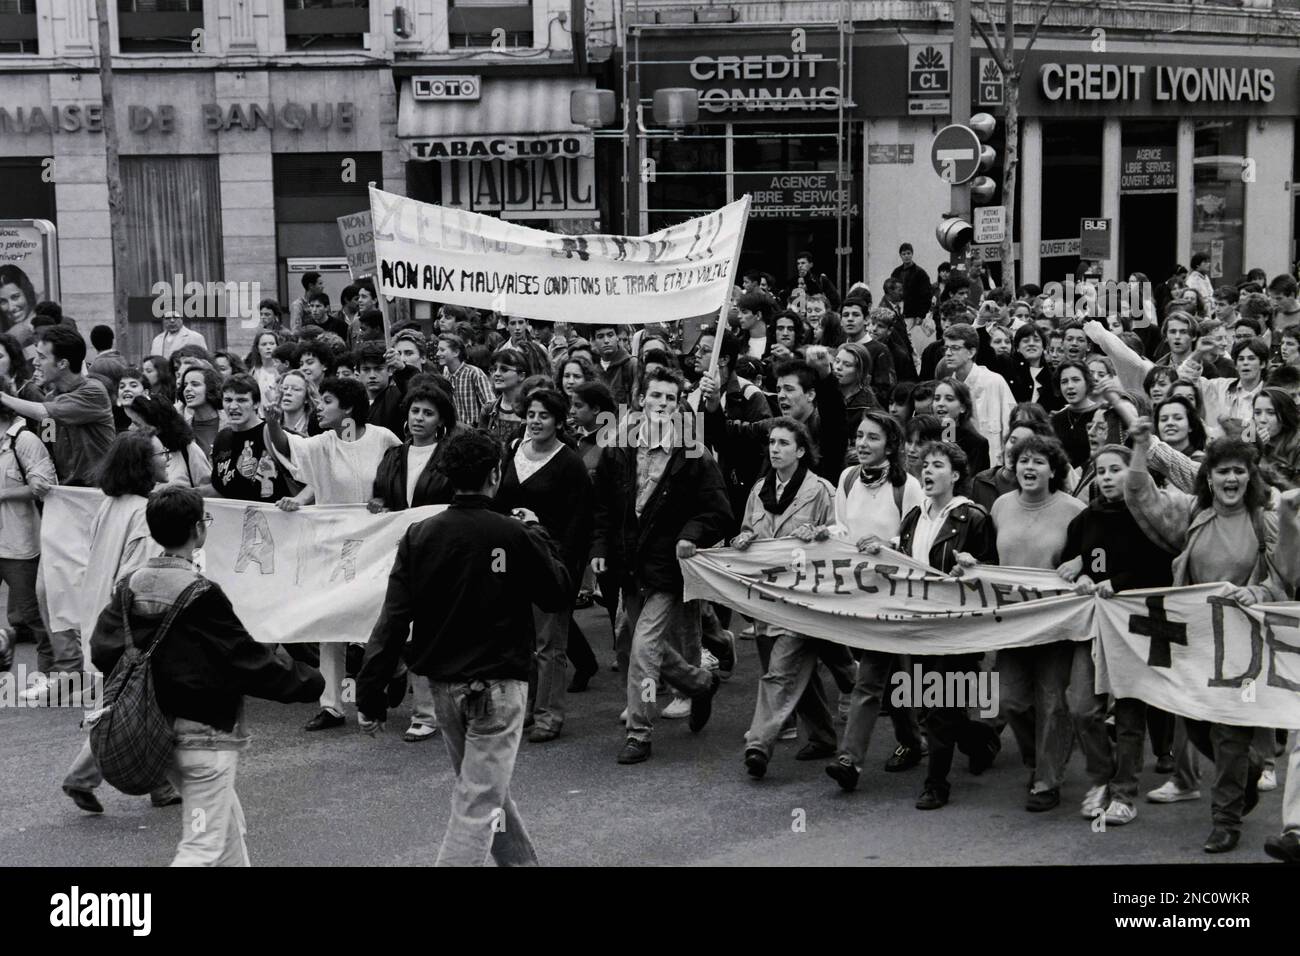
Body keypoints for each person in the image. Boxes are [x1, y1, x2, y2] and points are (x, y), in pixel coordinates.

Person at [356, 430, 570, 866]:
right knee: (479, 800)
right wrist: (538, 534)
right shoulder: (514, 533)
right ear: (495, 475)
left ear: (447, 476)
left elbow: (394, 618)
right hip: (500, 686)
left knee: (481, 791)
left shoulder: (420, 536)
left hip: (444, 687)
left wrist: (370, 691)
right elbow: (557, 594)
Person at [88, 486, 323, 865]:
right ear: (200, 530)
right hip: (204, 738)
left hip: (157, 732)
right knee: (201, 846)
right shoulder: (201, 593)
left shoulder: (129, 587)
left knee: (227, 834)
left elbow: (102, 650)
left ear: (152, 530)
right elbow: (249, 662)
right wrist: (310, 681)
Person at [1125, 423, 1288, 852]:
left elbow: (1284, 580)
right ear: (1208, 477)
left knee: (1230, 734)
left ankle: (1226, 818)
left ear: (1250, 477)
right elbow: (1144, 499)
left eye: (1238, 471)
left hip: (1244, 648)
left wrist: (1256, 591)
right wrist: (1141, 450)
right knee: (1197, 724)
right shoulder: (1194, 516)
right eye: (1222, 472)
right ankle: (1249, 771)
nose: (1230, 479)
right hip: (1195, 645)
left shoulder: (1264, 521)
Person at [591, 366, 729, 765]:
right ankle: (701, 683)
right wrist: (600, 546)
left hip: (667, 567)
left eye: (670, 398)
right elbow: (603, 507)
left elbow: (717, 510)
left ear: (679, 403)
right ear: (640, 399)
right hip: (626, 565)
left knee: (643, 649)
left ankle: (639, 732)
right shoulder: (618, 447)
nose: (662, 405)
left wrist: (690, 534)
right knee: (648, 646)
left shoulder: (694, 454)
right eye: (656, 397)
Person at [861, 441, 995, 809]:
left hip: (956, 627)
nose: (929, 471)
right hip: (918, 625)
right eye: (925, 465)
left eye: (938, 465)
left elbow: (992, 572)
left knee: (939, 709)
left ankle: (936, 783)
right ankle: (980, 742)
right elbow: (904, 562)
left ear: (955, 475)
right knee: (927, 702)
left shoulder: (973, 518)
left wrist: (972, 566)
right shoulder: (914, 517)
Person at [264, 376, 401, 731]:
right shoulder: (322, 444)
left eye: (326, 401)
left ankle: (386, 680)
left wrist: (385, 501)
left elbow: (399, 481)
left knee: (377, 620)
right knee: (331, 622)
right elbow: (288, 446)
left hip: (377, 542)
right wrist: (273, 423)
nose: (319, 408)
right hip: (333, 545)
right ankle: (333, 705)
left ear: (349, 408)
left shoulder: (383, 438)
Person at [60, 432, 181, 808]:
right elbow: (134, 578)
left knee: (135, 703)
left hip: (99, 614)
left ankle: (157, 785)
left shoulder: (111, 505)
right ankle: (87, 778)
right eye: (161, 454)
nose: (167, 460)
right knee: (141, 703)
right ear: (144, 465)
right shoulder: (145, 513)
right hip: (127, 624)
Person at [1057, 444, 1176, 826]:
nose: (1106, 477)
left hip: (1136, 628)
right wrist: (1074, 568)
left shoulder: (1148, 516)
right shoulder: (1085, 519)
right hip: (1092, 628)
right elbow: (1070, 561)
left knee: (1128, 715)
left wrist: (1118, 583)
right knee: (1080, 706)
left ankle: (1124, 793)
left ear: (1132, 473)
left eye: (1115, 469)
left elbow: (1161, 569)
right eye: (1101, 470)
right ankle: (1103, 777)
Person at [733, 418, 855, 778]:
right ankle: (820, 737)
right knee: (800, 669)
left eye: (784, 443)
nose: (775, 449)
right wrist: (742, 539)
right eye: (772, 442)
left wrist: (818, 532)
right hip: (772, 599)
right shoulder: (759, 489)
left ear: (801, 451)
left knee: (800, 671)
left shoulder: (820, 490)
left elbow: (841, 533)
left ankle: (758, 743)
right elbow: (747, 529)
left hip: (810, 599)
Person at [820, 411, 929, 789]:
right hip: (858, 592)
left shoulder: (909, 487)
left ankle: (850, 759)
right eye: (859, 436)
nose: (862, 444)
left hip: (893, 594)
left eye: (872, 438)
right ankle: (913, 741)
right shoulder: (847, 478)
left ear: (891, 445)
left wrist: (888, 545)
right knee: (893, 671)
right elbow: (842, 527)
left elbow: (918, 541)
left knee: (868, 678)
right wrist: (820, 532)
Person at [987, 435, 1086, 812]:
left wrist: (1081, 563)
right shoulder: (1000, 506)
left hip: (1056, 623)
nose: (1030, 468)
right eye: (1023, 461)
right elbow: (987, 559)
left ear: (1054, 470)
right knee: (1011, 700)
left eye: (1039, 462)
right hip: (1012, 622)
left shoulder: (1074, 509)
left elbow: (1095, 552)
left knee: (1052, 701)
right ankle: (1038, 758)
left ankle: (1047, 779)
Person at [494, 388, 594, 743]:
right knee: (521, 642)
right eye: (531, 414)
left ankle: (549, 715)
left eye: (544, 416)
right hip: (513, 560)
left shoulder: (570, 463)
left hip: (551, 562)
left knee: (550, 644)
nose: (536, 422)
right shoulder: (514, 451)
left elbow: (579, 523)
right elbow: (499, 503)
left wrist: (558, 558)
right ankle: (527, 710)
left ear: (558, 421)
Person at [0, 324, 116, 488]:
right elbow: (48, 443)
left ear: (62, 363)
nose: (35, 362)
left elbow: (44, 413)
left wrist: (2, 397)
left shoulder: (93, 391)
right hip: (65, 492)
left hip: (100, 492)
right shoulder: (50, 397)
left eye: (42, 357)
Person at [0, 378, 56, 675]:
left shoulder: (24, 440)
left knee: (35, 617)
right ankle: (3, 640)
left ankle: (50, 675)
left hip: (20, 544)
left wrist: (4, 494)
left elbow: (45, 485)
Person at [937, 323, 1014, 464]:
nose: (948, 353)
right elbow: (947, 437)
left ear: (971, 352)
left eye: (955, 348)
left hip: (993, 468)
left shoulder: (994, 382)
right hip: (962, 468)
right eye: (946, 348)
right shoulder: (947, 390)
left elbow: (1010, 428)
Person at [209, 374, 293, 503]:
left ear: (256, 404)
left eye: (241, 400)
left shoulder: (274, 434)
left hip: (278, 520)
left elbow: (316, 474)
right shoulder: (222, 438)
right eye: (228, 400)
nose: (233, 406)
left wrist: (299, 500)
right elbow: (220, 490)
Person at [125, 394, 212, 492]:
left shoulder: (188, 451)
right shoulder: (130, 452)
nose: (130, 428)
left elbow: (211, 490)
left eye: (136, 424)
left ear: (157, 428)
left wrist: (176, 497)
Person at [931, 378, 991, 476]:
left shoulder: (976, 444)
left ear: (963, 407)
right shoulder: (925, 434)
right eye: (937, 399)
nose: (940, 404)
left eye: (949, 399)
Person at [1050, 361, 1099, 469]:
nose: (1070, 386)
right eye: (1064, 382)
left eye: (1076, 380)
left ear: (1087, 382)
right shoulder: (1055, 420)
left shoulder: (1101, 414)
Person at [438, 332, 493, 428]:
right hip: (454, 432)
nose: (437, 353)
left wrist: (481, 430)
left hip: (473, 431)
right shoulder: (445, 373)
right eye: (438, 350)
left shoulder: (474, 373)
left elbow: (490, 405)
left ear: (456, 352)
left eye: (442, 350)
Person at [178, 364, 222, 459]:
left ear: (211, 388)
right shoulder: (182, 429)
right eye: (185, 385)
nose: (187, 389)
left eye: (195, 384)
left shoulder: (231, 424)